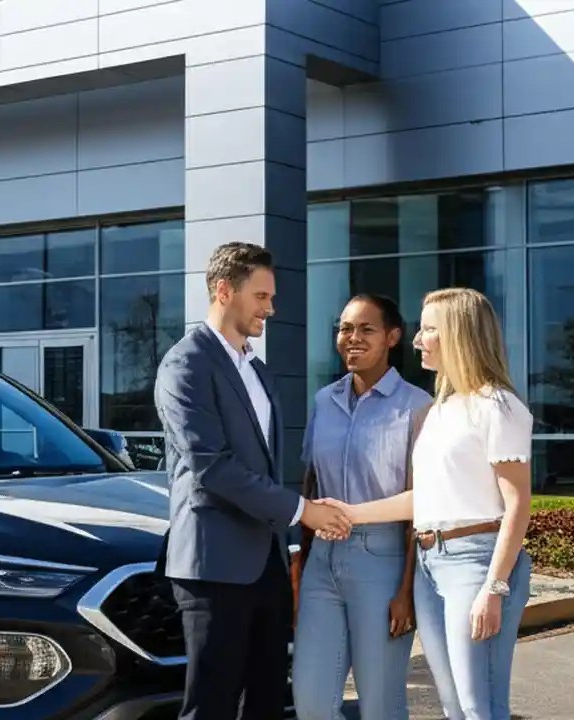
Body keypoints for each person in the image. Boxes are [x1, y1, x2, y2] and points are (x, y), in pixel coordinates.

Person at [154, 242, 353, 720]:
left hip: (265, 562)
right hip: (213, 566)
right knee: (212, 705)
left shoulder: (259, 372)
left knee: (267, 699)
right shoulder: (186, 365)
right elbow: (212, 466)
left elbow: (262, 465)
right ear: (224, 291)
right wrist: (303, 511)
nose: (271, 308)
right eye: (261, 296)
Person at [317, 287, 534, 720]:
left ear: (459, 334)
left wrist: (494, 588)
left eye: (429, 329)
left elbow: (518, 504)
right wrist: (350, 513)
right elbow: (426, 498)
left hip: (476, 563)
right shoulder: (442, 409)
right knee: (454, 706)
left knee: (479, 707)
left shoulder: (499, 406)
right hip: (431, 562)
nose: (418, 339)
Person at [290, 294, 433, 720]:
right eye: (344, 328)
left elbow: (421, 504)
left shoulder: (417, 407)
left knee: (381, 706)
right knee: (311, 702)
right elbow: (310, 480)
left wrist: (406, 591)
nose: (352, 338)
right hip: (322, 562)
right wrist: (301, 564)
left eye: (366, 329)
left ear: (392, 337)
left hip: (384, 562)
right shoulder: (322, 402)